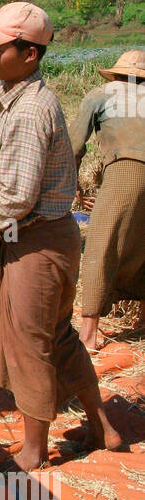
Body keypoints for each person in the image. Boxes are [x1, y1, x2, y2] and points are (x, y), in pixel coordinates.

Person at [0, 1, 123, 473]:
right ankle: (103, 429)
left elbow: (15, 201)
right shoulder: (17, 99)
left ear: (30, 54)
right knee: (57, 336)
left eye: (0, 48)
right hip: (44, 237)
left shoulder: (32, 109)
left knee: (29, 341)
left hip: (36, 243)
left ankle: (35, 450)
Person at [69, 49, 145, 351]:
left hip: (126, 172)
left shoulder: (101, 94)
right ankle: (141, 322)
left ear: (116, 74)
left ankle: (89, 332)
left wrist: (73, 186)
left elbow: (74, 146)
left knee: (102, 244)